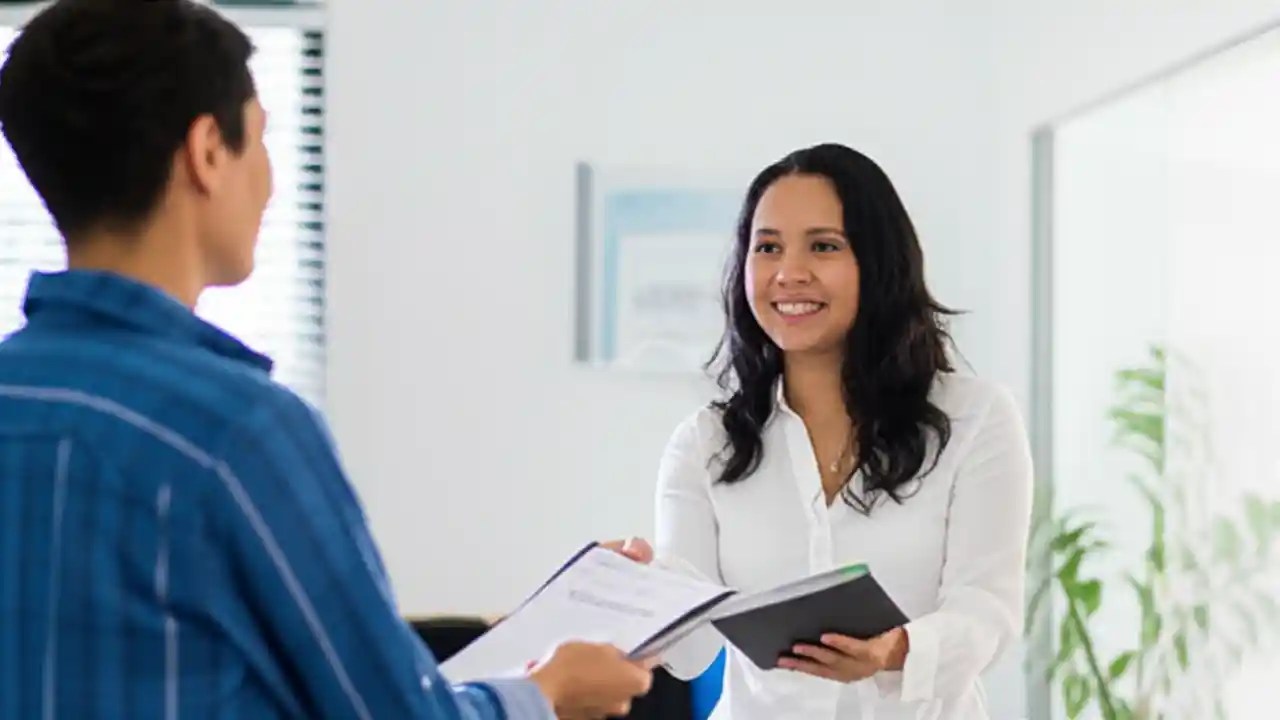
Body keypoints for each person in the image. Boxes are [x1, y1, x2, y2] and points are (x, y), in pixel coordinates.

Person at [0, 2, 650, 718]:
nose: (272, 181)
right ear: (208, 151)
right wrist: (547, 693)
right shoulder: (236, 432)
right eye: (263, 141)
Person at [651, 143, 1034, 719]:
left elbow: (989, 611)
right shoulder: (706, 444)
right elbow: (688, 654)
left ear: (880, 263)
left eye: (824, 246)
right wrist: (636, 591)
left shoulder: (975, 419)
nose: (789, 273)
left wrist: (895, 650)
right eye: (768, 247)